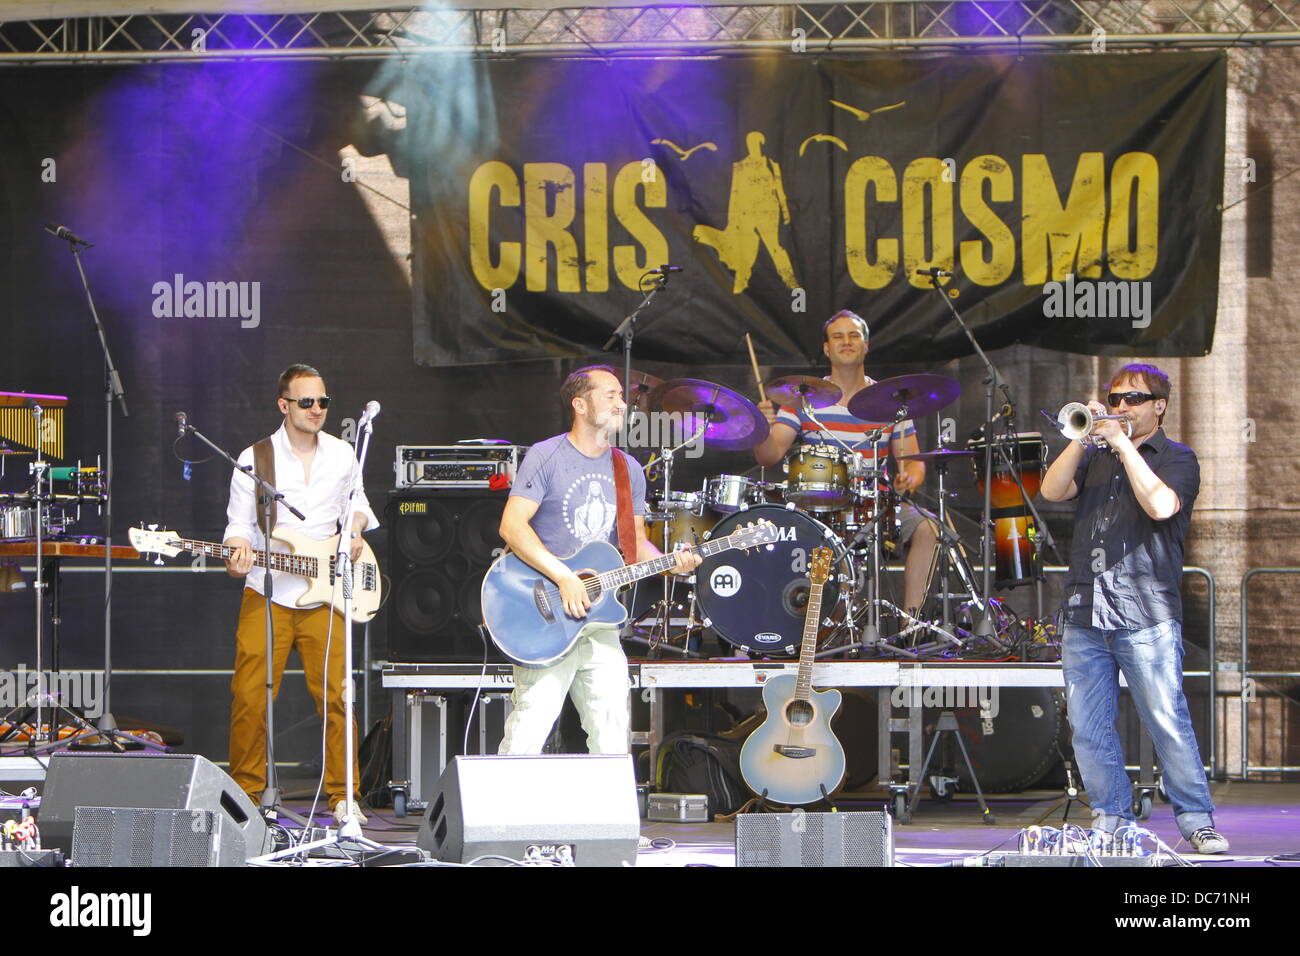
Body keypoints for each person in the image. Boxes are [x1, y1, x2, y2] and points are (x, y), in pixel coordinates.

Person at [1040, 363, 1226, 854]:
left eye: (1133, 399)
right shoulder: (1095, 455)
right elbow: (1051, 491)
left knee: (1166, 717)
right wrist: (1083, 438)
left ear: (1159, 405)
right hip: (1085, 609)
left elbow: (1162, 507)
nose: (1121, 407)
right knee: (1088, 724)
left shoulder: (1177, 458)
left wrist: (1123, 446)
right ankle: (1111, 815)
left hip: (1145, 610)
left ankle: (1196, 819)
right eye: (1114, 398)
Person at [497, 365, 701, 754]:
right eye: (610, 394)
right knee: (529, 726)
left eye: (622, 396)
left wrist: (669, 560)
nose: (621, 402)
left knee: (612, 733)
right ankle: (501, 815)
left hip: (599, 619)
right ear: (580, 404)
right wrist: (563, 577)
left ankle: (607, 815)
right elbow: (511, 526)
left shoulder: (629, 469)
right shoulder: (546, 455)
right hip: (546, 613)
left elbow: (635, 543)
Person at [223, 364, 378, 826]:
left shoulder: (344, 454)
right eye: (306, 401)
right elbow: (238, 526)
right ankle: (246, 796)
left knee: (337, 696)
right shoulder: (254, 459)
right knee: (249, 695)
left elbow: (360, 505)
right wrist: (237, 550)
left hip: (326, 593)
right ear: (284, 404)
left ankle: (343, 795)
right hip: (268, 590)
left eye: (323, 402)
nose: (316, 410)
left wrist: (352, 532)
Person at [754, 310, 939, 614]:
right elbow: (769, 455)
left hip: (876, 505)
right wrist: (762, 428)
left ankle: (911, 623)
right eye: (838, 336)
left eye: (854, 335)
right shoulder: (802, 399)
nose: (847, 342)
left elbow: (914, 463)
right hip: (818, 508)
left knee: (930, 527)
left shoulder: (891, 400)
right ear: (827, 349)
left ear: (866, 345)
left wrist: (911, 479)